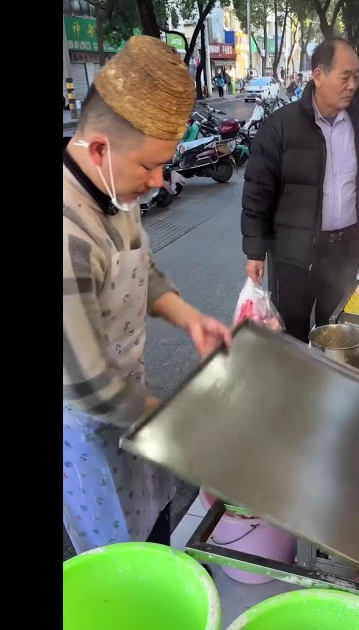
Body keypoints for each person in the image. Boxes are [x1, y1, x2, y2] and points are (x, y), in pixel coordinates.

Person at [63, 36, 233, 554]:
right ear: (98, 148)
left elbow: (141, 268)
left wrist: (189, 319)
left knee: (154, 520)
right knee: (122, 557)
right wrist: (176, 422)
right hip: (85, 422)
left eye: (166, 163)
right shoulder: (69, 229)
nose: (160, 181)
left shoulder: (117, 188)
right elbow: (89, 383)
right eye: (149, 167)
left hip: (129, 400)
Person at [241, 39, 359, 343]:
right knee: (292, 333)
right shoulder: (280, 126)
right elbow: (258, 190)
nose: (352, 85)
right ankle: (295, 388)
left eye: (357, 77)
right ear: (319, 75)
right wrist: (255, 252)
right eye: (345, 76)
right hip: (295, 255)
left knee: (337, 331)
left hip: (344, 250)